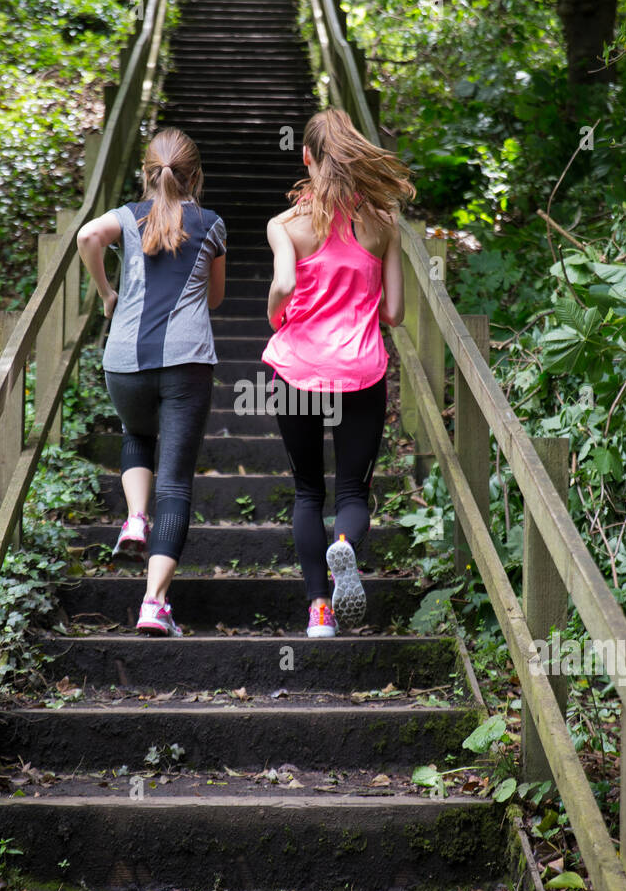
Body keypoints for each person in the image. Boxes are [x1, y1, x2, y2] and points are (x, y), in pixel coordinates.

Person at [261, 108, 414, 638]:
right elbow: (393, 312)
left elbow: (282, 287)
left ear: (306, 157)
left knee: (307, 491)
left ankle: (319, 612)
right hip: (360, 375)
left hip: (297, 371)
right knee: (351, 493)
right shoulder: (383, 223)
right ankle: (344, 547)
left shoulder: (284, 225)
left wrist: (276, 316)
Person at [76, 127, 226, 636]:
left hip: (124, 362)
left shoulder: (126, 217)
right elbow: (215, 299)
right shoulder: (211, 225)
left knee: (137, 434)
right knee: (177, 483)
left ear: (146, 172)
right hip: (186, 363)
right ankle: (153, 603)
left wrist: (106, 291)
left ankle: (135, 516)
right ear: (196, 176)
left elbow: (86, 237)